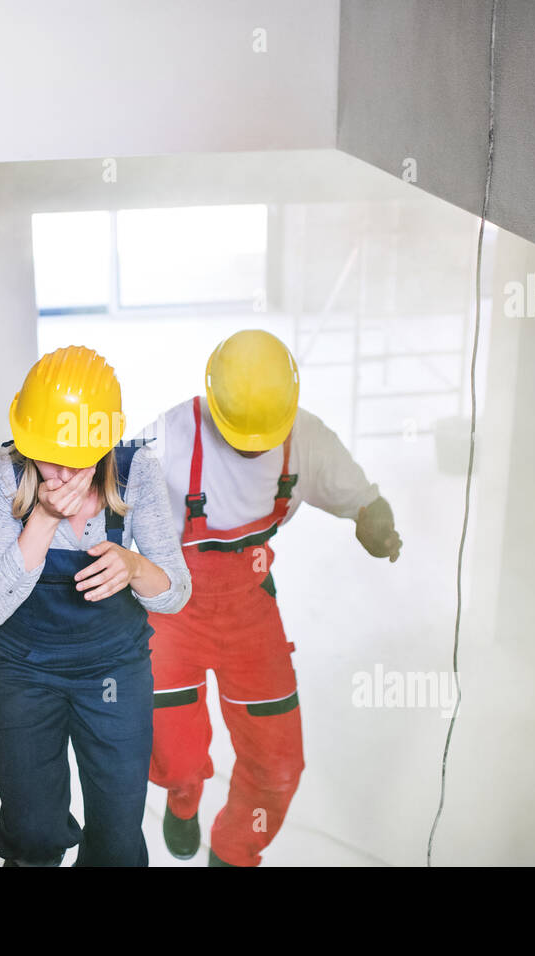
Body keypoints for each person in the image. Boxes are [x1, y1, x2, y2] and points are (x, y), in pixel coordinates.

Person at [139, 329, 402, 867]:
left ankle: (233, 851)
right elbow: (105, 498)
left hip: (248, 610)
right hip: (170, 603)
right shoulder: (166, 437)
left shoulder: (305, 439)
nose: (253, 446)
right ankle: (182, 796)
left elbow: (362, 497)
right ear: (211, 400)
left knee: (278, 763)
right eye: (241, 434)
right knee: (175, 751)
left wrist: (375, 521)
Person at [0, 345, 191, 866]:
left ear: (104, 440)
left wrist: (135, 568)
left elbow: (176, 592)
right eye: (50, 457)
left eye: (78, 461)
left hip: (112, 671)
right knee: (33, 833)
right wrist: (43, 520)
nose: (64, 475)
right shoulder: (5, 472)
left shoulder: (136, 471)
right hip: (21, 673)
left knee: (118, 840)